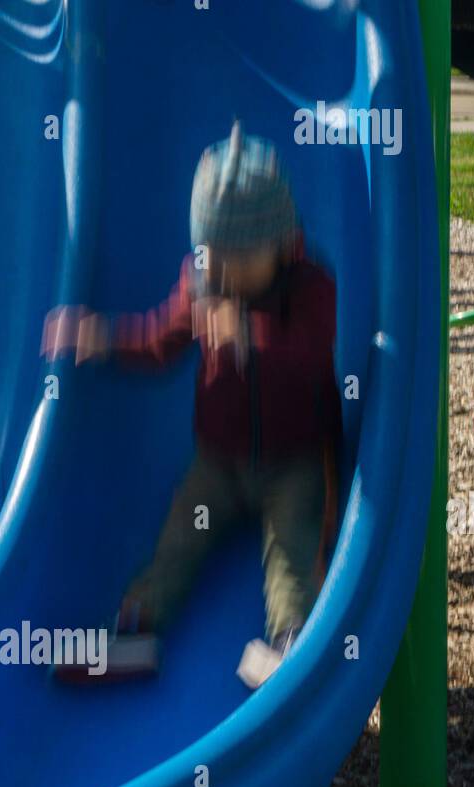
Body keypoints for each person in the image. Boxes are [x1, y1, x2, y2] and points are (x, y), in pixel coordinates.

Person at [42, 121, 340, 688]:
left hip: (293, 460)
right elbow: (161, 342)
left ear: (280, 243)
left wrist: (249, 337)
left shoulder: (311, 288)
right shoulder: (203, 283)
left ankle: (290, 644)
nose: (222, 272)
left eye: (237, 258)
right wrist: (105, 337)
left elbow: (309, 357)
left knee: (291, 551)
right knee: (179, 539)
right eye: (212, 257)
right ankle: (133, 632)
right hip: (218, 465)